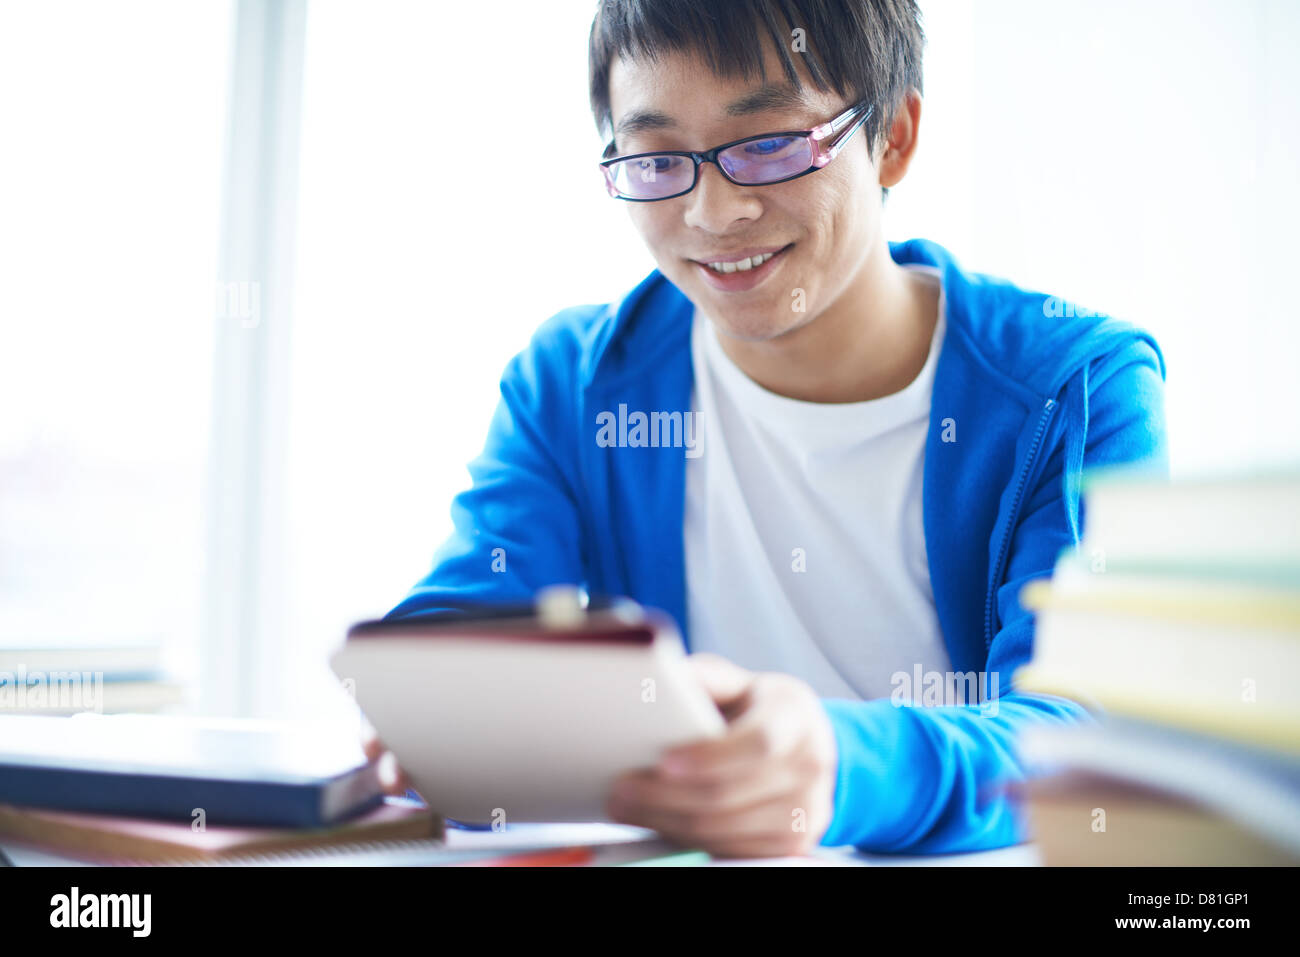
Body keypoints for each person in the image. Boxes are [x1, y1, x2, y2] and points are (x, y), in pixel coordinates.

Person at [368, 0, 1168, 857]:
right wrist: (437, 712)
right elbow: (466, 630)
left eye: (768, 144)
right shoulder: (573, 384)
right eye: (657, 158)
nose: (713, 213)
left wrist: (842, 766)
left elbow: (1084, 729)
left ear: (893, 135)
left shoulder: (1073, 385)